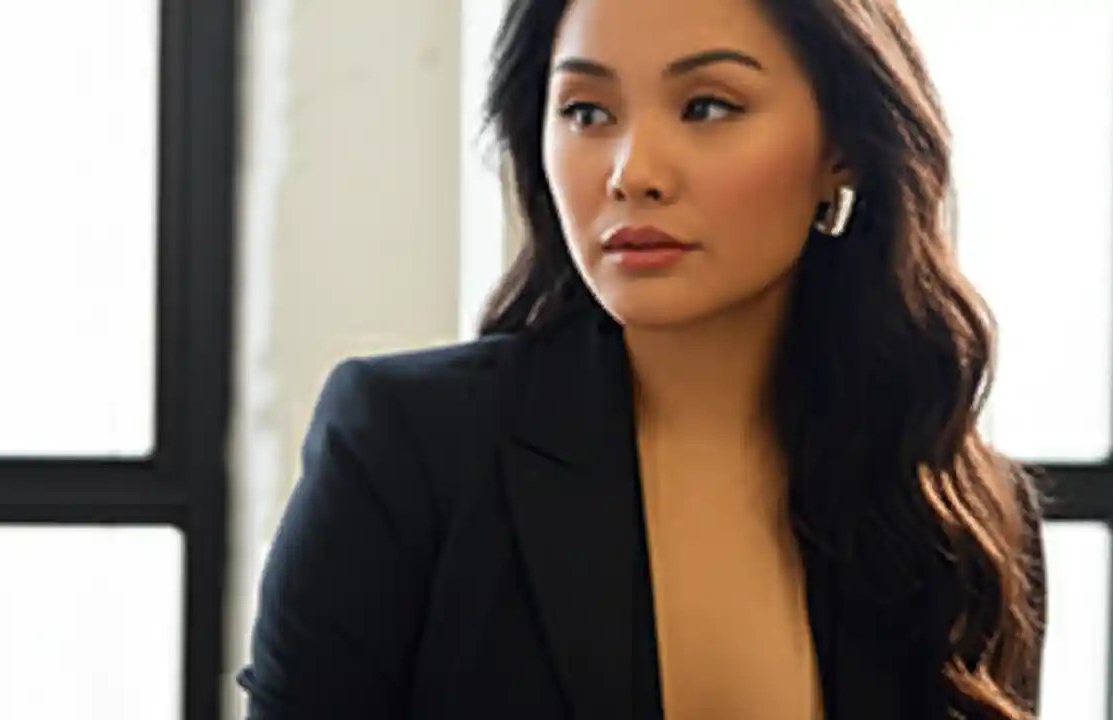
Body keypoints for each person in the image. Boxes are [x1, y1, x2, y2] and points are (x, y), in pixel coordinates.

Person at [236, 0, 1048, 717]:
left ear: (843, 146)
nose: (633, 174)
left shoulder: (960, 513)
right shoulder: (405, 448)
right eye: (587, 112)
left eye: (706, 106)